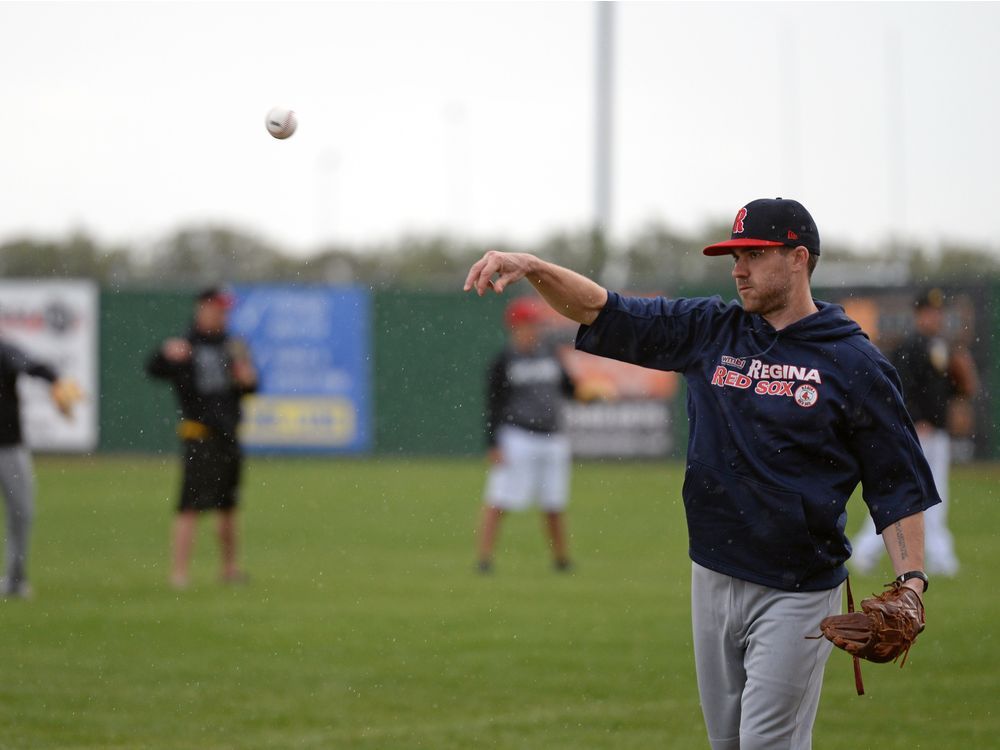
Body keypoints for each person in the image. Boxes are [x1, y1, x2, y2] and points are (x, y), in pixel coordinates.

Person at [464, 198, 937, 750]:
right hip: (710, 572)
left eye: (754, 254)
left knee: (768, 745)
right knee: (728, 744)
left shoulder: (854, 363)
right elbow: (599, 309)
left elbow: (896, 485)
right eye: (734, 255)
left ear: (798, 259)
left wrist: (911, 586)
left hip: (796, 588)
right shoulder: (712, 331)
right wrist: (536, 267)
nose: (738, 268)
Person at [851, 287, 978, 576]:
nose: (934, 317)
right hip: (916, 431)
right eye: (928, 312)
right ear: (918, 314)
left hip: (937, 431)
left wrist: (959, 387)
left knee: (930, 495)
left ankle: (939, 556)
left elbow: (948, 390)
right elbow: (899, 387)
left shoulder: (941, 345)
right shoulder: (908, 346)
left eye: (937, 312)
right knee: (904, 496)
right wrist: (916, 418)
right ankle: (867, 551)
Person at [146, 286, 258, 589]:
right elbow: (153, 369)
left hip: (229, 435)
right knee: (189, 505)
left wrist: (248, 377)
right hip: (199, 435)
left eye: (225, 309)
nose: (222, 313)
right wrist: (165, 353)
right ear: (202, 308)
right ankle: (179, 573)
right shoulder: (186, 344)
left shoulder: (233, 346)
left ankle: (230, 569)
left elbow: (250, 386)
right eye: (217, 307)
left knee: (228, 506)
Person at [477, 296, 576, 574]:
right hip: (517, 436)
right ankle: (484, 559)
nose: (535, 329)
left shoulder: (551, 354)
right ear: (514, 326)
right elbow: (493, 405)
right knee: (500, 500)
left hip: (553, 437)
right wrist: (493, 443)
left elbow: (570, 389)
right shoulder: (504, 360)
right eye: (529, 324)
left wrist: (590, 394)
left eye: (537, 324)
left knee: (554, 503)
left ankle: (561, 560)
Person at [0, 340, 80, 598]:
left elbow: (34, 366)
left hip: (8, 446)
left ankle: (15, 579)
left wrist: (56, 380)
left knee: (22, 511)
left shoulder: (3, 350)